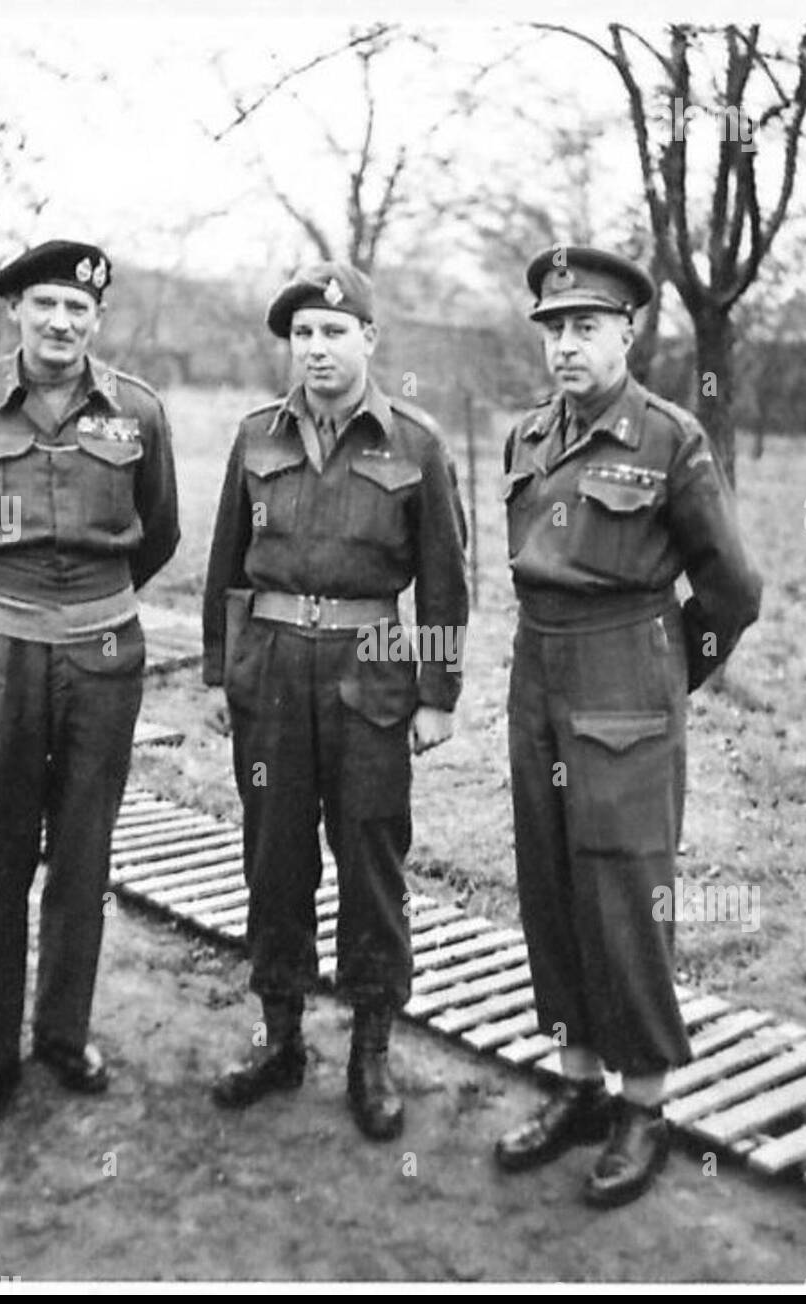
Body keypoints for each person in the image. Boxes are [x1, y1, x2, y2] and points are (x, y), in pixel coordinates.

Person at [495, 245, 762, 1206]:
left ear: (628, 332)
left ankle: (643, 1105)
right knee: (552, 882)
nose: (566, 345)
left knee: (625, 891)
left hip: (626, 675)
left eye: (585, 327)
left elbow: (734, 588)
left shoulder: (669, 437)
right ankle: (577, 1087)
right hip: (539, 674)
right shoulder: (528, 437)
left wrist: (660, 679)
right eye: (554, 328)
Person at [0, 239, 180, 1145]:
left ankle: (63, 1035)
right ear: (15, 313)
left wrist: (87, 605)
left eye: (79, 310)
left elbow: (160, 533)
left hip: (101, 653)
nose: (62, 323)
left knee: (85, 852)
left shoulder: (136, 409)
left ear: (97, 321)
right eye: (45, 306)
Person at [202, 261, 468, 1140]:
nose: (316, 349)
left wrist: (437, 697)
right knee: (273, 857)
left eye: (333, 332)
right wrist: (221, 675)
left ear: (369, 341)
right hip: (273, 671)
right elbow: (225, 566)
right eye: (303, 334)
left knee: (370, 858)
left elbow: (443, 583)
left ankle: (370, 1053)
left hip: (372, 669)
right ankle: (279, 1040)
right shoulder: (255, 438)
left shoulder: (416, 445)